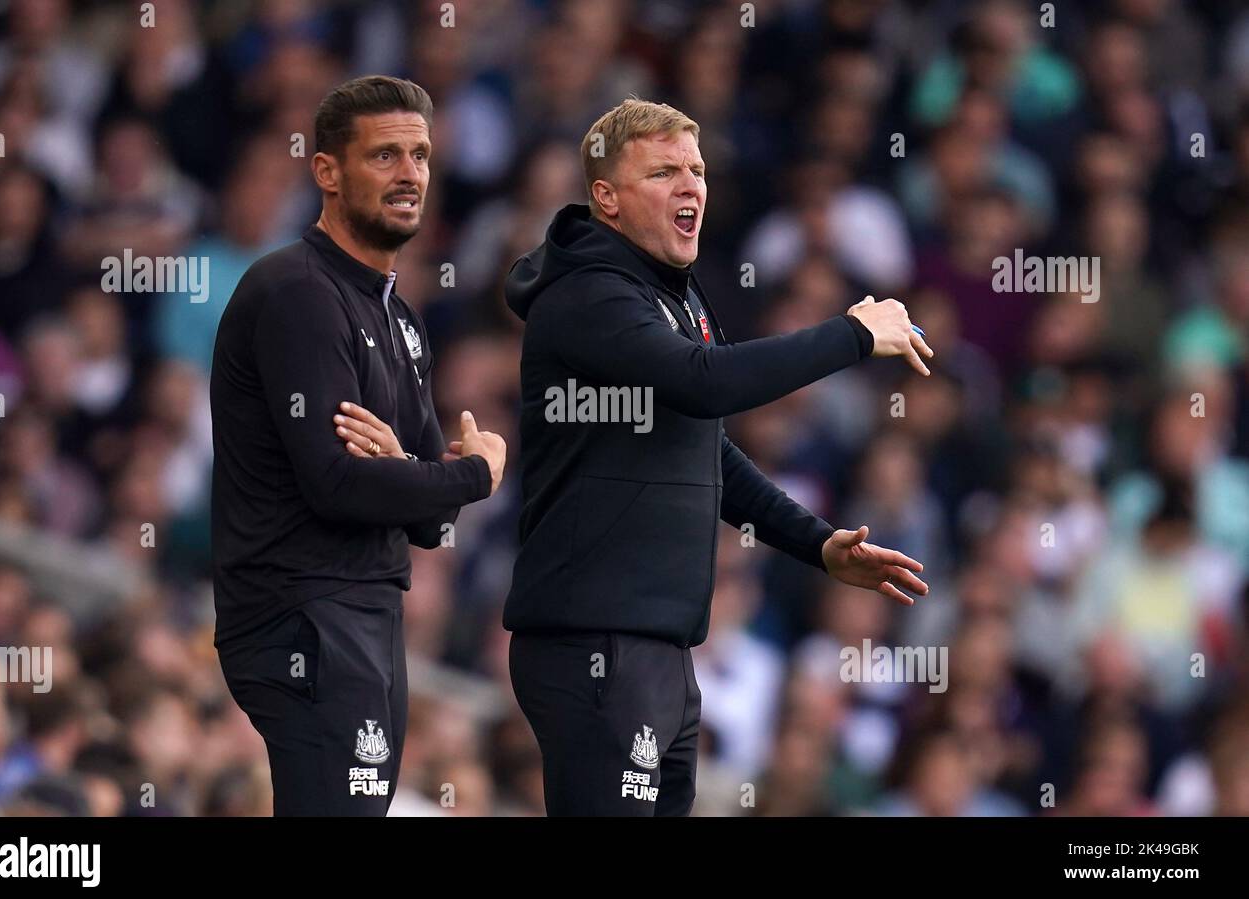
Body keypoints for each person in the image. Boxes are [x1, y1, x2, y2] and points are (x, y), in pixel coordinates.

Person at [501, 99, 930, 816]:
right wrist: (852, 334)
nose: (691, 186)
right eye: (664, 171)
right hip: (596, 645)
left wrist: (819, 544)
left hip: (664, 650)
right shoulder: (587, 297)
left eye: (696, 171)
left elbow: (710, 451)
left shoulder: (678, 298)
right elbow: (707, 385)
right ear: (605, 197)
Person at [209, 75, 506, 816]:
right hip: (301, 614)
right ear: (328, 172)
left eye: (421, 156)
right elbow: (338, 484)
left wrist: (411, 474)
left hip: (367, 619)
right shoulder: (297, 293)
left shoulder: (400, 319)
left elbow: (427, 521)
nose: (410, 175)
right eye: (385, 157)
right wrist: (472, 474)